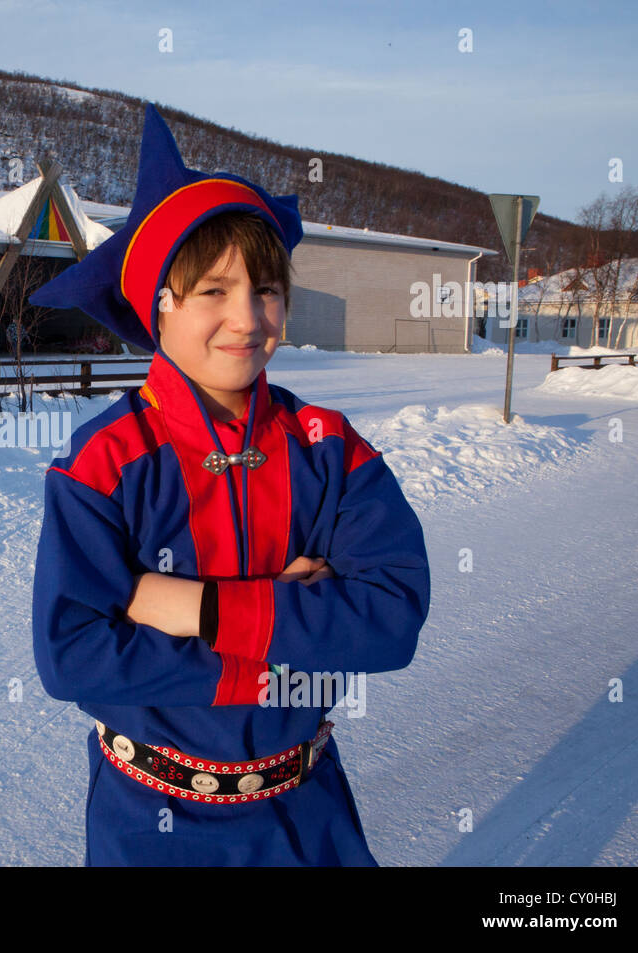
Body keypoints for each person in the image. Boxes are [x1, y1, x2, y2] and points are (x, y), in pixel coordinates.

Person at [28, 103, 431, 866]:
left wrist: (191, 607)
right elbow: (73, 654)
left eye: (266, 288)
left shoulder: (331, 451)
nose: (247, 318)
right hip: (153, 821)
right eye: (214, 290)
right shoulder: (104, 463)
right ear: (160, 307)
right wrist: (289, 639)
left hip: (308, 815)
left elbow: (391, 620)